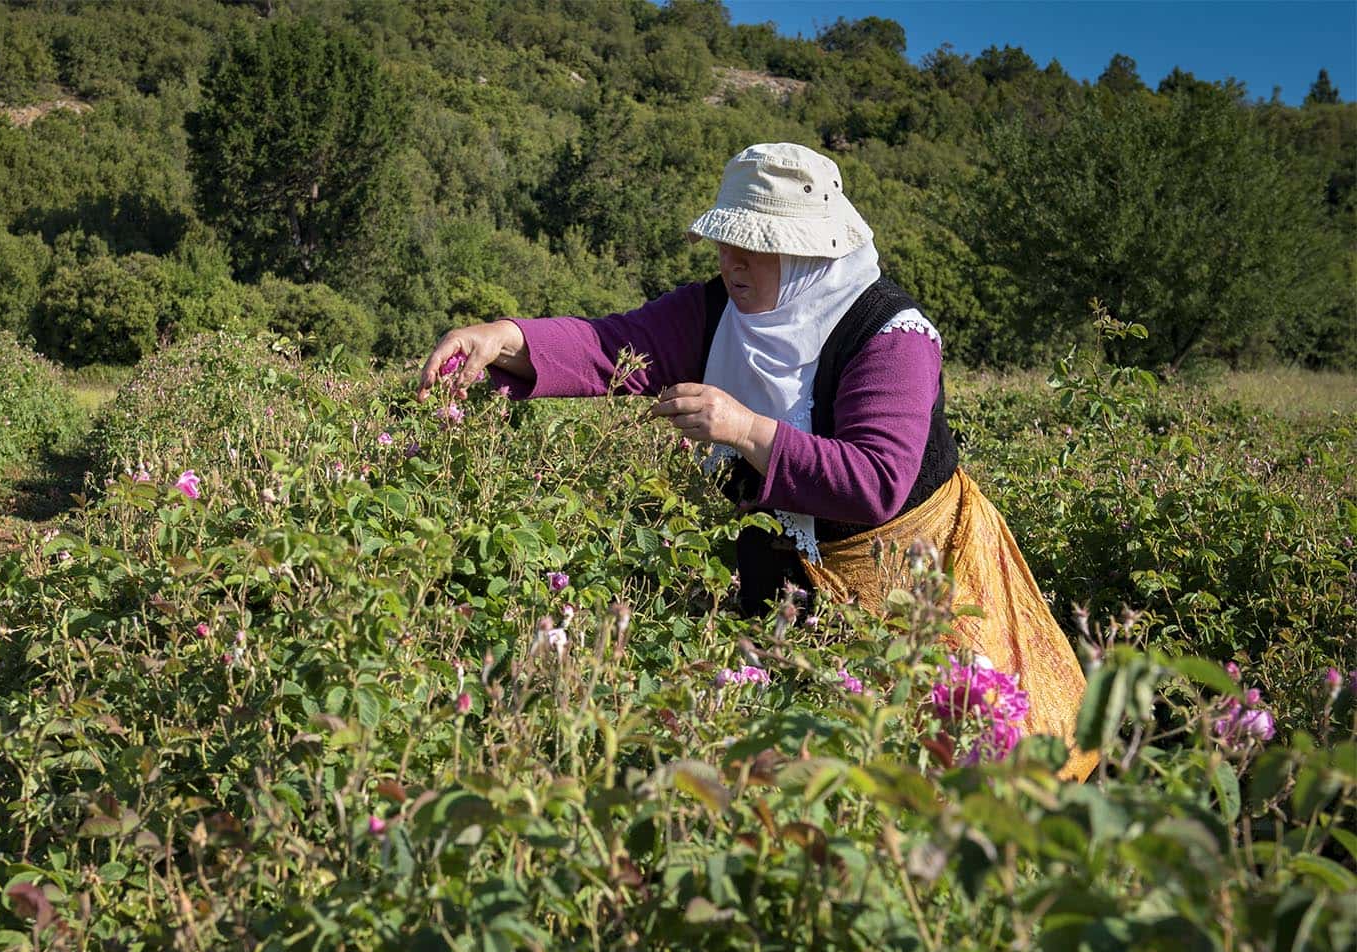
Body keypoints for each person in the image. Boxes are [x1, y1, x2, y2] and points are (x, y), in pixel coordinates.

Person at [419, 143, 1093, 777]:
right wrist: (500, 337)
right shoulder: (718, 311)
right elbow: (611, 345)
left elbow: (878, 480)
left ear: (806, 253)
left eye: (755, 247)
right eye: (726, 243)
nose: (732, 262)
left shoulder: (890, 335)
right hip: (782, 573)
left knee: (965, 755)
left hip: (914, 573)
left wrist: (745, 428)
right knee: (793, 759)